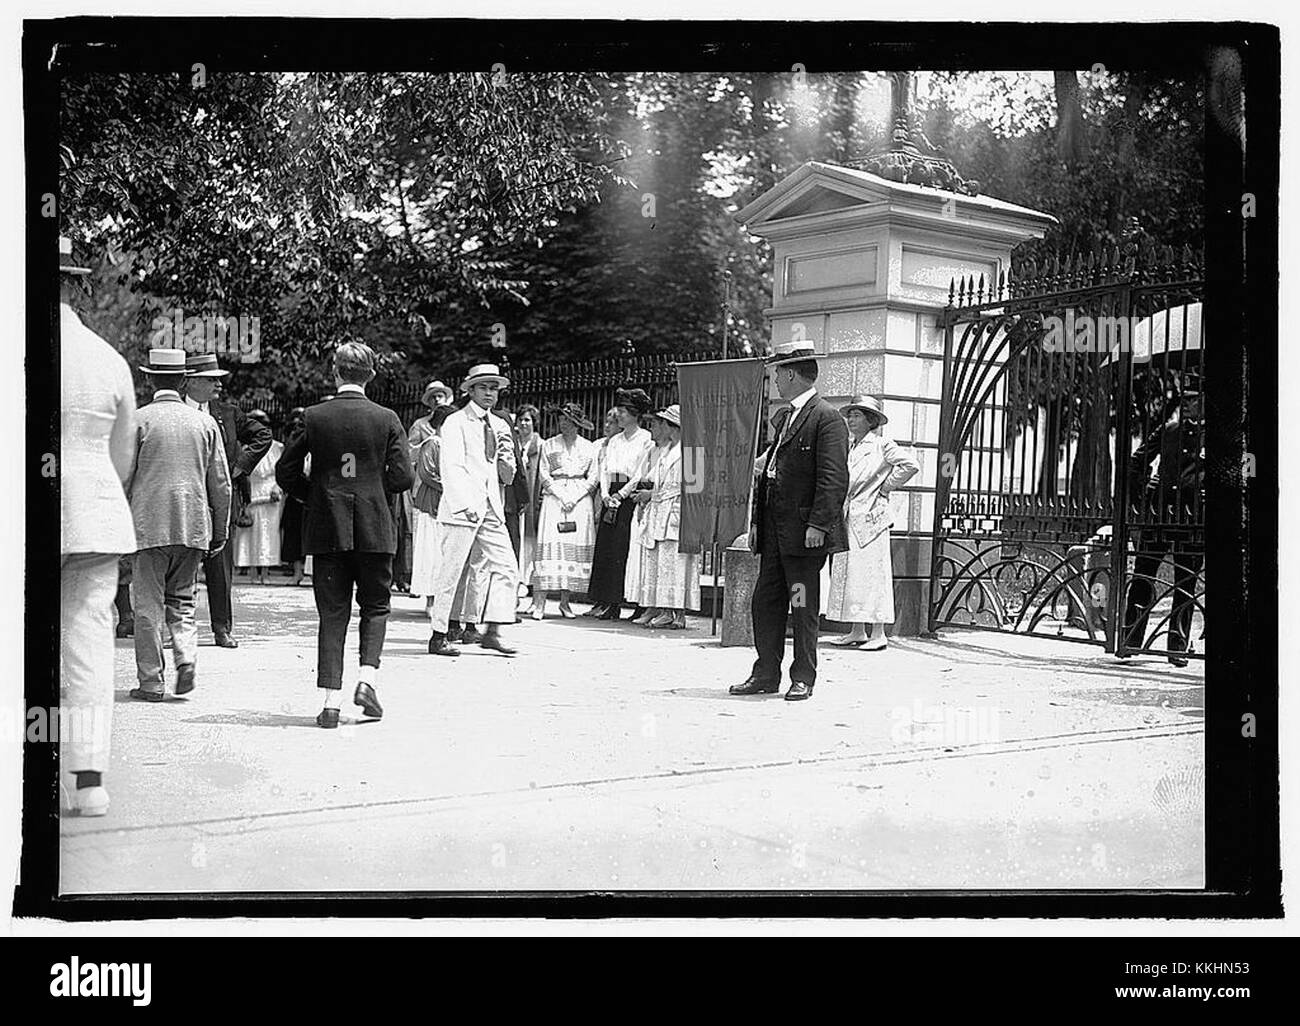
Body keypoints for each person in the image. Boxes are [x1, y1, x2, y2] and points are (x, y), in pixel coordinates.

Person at [274, 342, 414, 728]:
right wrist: (372, 490)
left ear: (335, 373)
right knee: (376, 607)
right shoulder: (387, 418)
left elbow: (286, 472)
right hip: (375, 528)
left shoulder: (314, 416)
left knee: (332, 614)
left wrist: (316, 495)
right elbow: (403, 477)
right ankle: (367, 680)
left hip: (328, 528)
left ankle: (331, 702)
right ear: (370, 375)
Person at [59, 236, 137, 816]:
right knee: (87, 647)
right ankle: (88, 780)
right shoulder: (107, 358)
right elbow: (122, 458)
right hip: (94, 519)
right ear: (75, 284)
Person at [730, 340, 848, 702]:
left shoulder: (826, 417)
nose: (776, 380)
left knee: (801, 605)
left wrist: (818, 525)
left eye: (779, 373)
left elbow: (833, 479)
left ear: (793, 374)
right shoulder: (785, 418)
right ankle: (766, 673)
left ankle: (803, 676)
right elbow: (767, 475)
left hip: (803, 536)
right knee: (765, 603)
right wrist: (755, 524)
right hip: (775, 534)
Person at [126, 348, 232, 703]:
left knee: (147, 605)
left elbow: (122, 479)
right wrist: (220, 530)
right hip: (193, 526)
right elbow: (221, 483)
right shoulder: (204, 424)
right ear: (184, 379)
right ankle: (185, 658)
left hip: (148, 527)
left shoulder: (137, 421)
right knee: (183, 601)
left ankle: (152, 682)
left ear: (149, 378)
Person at [425, 363, 519, 657]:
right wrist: (463, 504)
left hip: (491, 506)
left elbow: (504, 472)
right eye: (484, 387)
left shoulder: (500, 425)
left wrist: (508, 464)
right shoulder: (455, 422)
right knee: (451, 572)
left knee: (507, 567)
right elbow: (450, 466)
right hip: (461, 508)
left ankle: (492, 629)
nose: (490, 393)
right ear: (470, 390)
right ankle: (439, 634)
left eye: (494, 388)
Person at [183, 353, 272, 647]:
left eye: (219, 378)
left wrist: (239, 466)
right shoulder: (176, 410)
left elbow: (263, 436)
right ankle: (175, 628)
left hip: (222, 500)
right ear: (191, 382)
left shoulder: (228, 413)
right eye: (211, 379)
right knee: (180, 564)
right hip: (186, 498)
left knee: (220, 566)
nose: (219, 384)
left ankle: (222, 628)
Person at [1120, 370, 1204, 666]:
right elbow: (1137, 459)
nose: (1190, 405)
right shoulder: (1168, 429)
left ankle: (1176, 648)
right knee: (1143, 575)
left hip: (1194, 519)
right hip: (1158, 515)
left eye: (1195, 400)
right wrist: (1139, 500)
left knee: (1185, 584)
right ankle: (1130, 640)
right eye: (1187, 400)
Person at [825, 396, 919, 650]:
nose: (851, 420)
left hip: (871, 518)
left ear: (870, 420)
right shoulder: (850, 446)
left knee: (873, 574)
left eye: (857, 416)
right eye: (850, 415)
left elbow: (910, 465)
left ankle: (879, 632)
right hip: (849, 517)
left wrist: (885, 488)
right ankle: (857, 629)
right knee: (852, 574)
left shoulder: (882, 444)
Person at [623, 404, 697, 629]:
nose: (658, 427)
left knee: (676, 563)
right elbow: (653, 478)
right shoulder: (665, 452)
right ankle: (662, 608)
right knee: (661, 563)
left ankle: (676, 612)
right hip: (659, 513)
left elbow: (695, 486)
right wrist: (646, 494)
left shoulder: (692, 450)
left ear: (671, 426)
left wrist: (651, 494)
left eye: (661, 423)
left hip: (677, 514)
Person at [586, 388, 654, 620]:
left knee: (624, 548)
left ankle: (625, 600)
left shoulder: (645, 440)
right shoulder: (614, 441)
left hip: (628, 496)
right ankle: (606, 600)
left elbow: (639, 472)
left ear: (635, 414)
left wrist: (621, 495)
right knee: (606, 548)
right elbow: (605, 469)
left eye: (625, 412)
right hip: (610, 495)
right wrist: (605, 494)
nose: (620, 416)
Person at [531, 403, 598, 619]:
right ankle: (540, 603)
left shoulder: (589, 447)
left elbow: (594, 476)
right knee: (551, 544)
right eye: (561, 420)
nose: (564, 424)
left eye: (569, 421)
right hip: (555, 498)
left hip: (579, 498)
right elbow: (543, 474)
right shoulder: (549, 445)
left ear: (577, 424)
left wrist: (576, 497)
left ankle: (565, 603)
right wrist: (560, 495)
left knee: (571, 545)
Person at [402, 379, 454, 596]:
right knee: (425, 540)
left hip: (446, 496)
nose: (436, 398)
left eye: (439, 395)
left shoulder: (453, 435)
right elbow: (412, 456)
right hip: (428, 490)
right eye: (432, 396)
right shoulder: (421, 427)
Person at [232, 409, 284, 585]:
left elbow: (283, 471)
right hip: (252, 491)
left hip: (271, 493)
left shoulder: (278, 448)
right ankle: (252, 571)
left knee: (268, 532)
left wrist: (278, 487)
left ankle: (266, 572)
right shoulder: (245, 449)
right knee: (249, 533)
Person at [512, 403, 543, 606]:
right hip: (516, 498)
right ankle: (517, 582)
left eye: (528, 420)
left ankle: (529, 585)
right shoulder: (514, 442)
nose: (524, 423)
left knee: (531, 543)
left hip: (533, 497)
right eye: (521, 419)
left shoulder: (540, 445)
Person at [279, 407, 309, 585]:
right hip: (297, 495)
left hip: (312, 493)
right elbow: (286, 469)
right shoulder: (291, 447)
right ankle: (297, 572)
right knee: (293, 534)